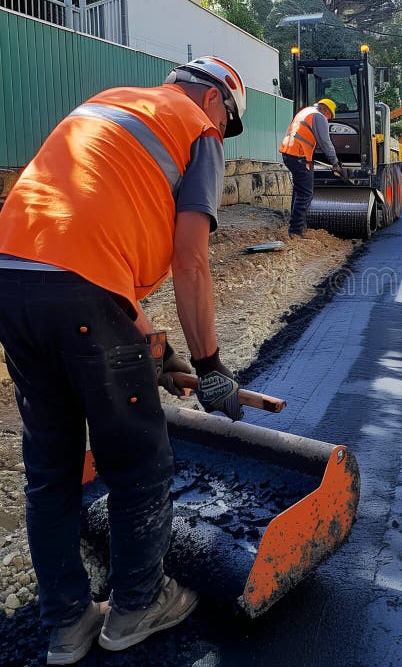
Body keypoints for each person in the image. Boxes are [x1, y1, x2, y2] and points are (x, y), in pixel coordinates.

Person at [0, 56, 247, 664]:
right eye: (228, 122)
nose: (223, 132)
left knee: (51, 469)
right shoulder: (199, 130)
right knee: (139, 460)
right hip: (82, 293)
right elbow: (191, 261)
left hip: (12, 282)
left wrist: (157, 353)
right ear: (217, 103)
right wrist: (211, 368)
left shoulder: (114, 105)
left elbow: (86, 251)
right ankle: (138, 604)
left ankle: (68, 625)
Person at [279, 98, 348, 237]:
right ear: (325, 109)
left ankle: (296, 227)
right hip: (299, 155)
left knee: (299, 191)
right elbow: (325, 141)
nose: (327, 120)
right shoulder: (319, 116)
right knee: (305, 193)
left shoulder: (305, 111)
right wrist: (335, 163)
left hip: (289, 153)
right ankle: (295, 231)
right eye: (329, 116)